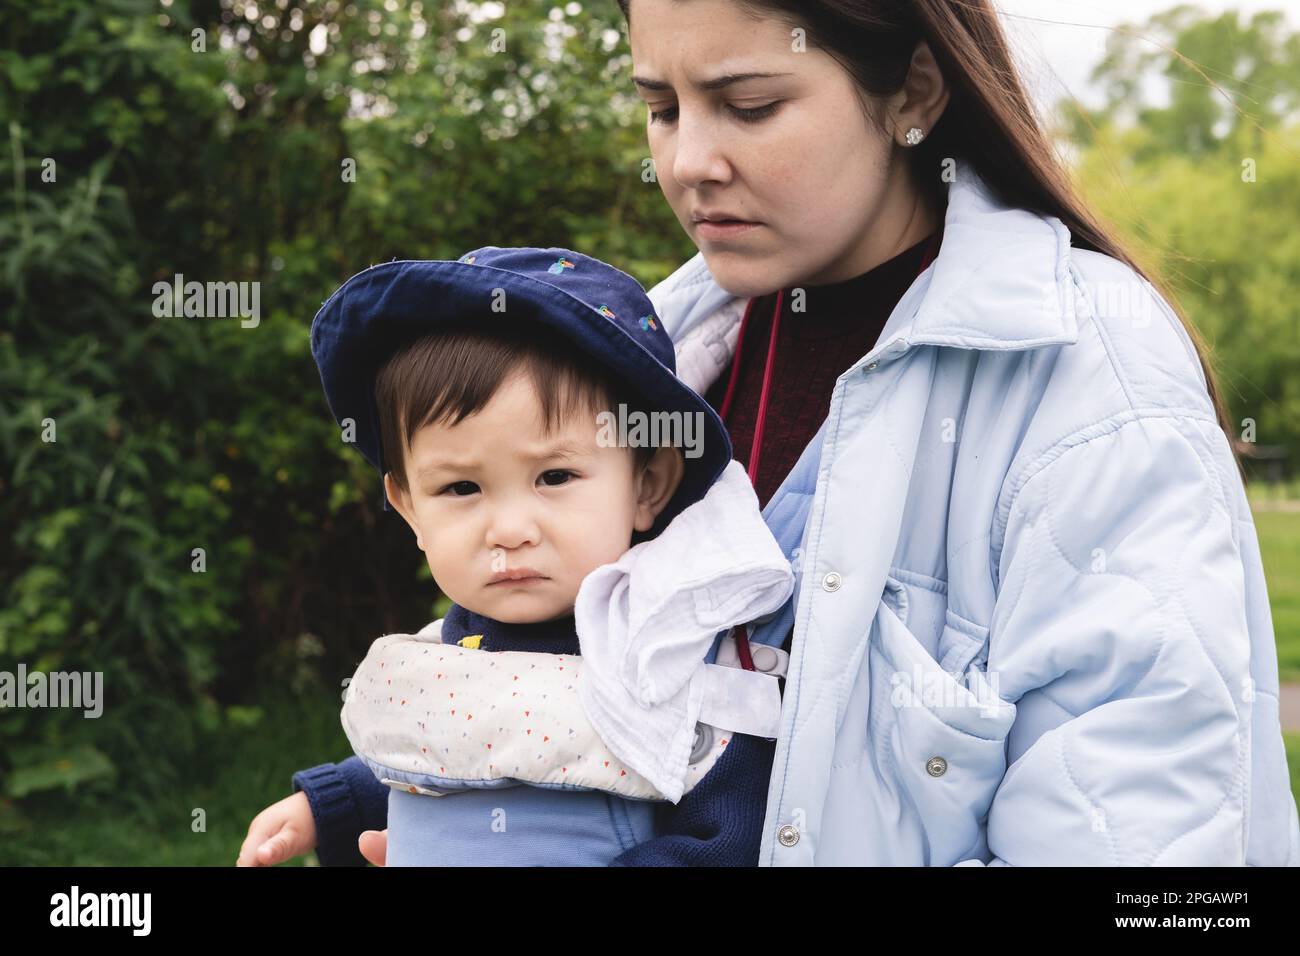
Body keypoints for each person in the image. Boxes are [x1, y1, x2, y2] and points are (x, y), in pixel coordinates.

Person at [239, 0, 1300, 867]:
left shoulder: (1091, 380)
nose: (689, 160)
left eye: (747, 105)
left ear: (913, 93)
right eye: (660, 107)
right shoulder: (653, 355)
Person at [304, 248, 792, 865]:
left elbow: (729, 838)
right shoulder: (453, 647)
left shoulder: (667, 654)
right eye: (461, 488)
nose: (509, 530)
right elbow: (453, 746)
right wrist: (332, 804)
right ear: (408, 510)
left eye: (555, 477)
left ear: (646, 487)